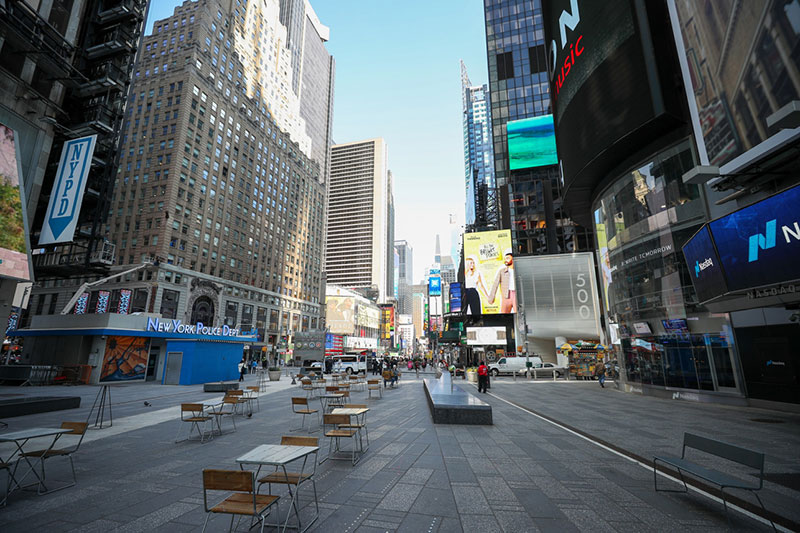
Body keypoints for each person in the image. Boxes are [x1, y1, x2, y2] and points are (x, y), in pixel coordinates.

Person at [488, 248, 517, 313]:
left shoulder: (518, 270)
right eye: (505, 259)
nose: (505, 260)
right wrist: (491, 298)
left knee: (519, 315)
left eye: (507, 258)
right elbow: (495, 284)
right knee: (504, 315)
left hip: (517, 295)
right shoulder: (502, 271)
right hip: (506, 296)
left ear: (513, 258)